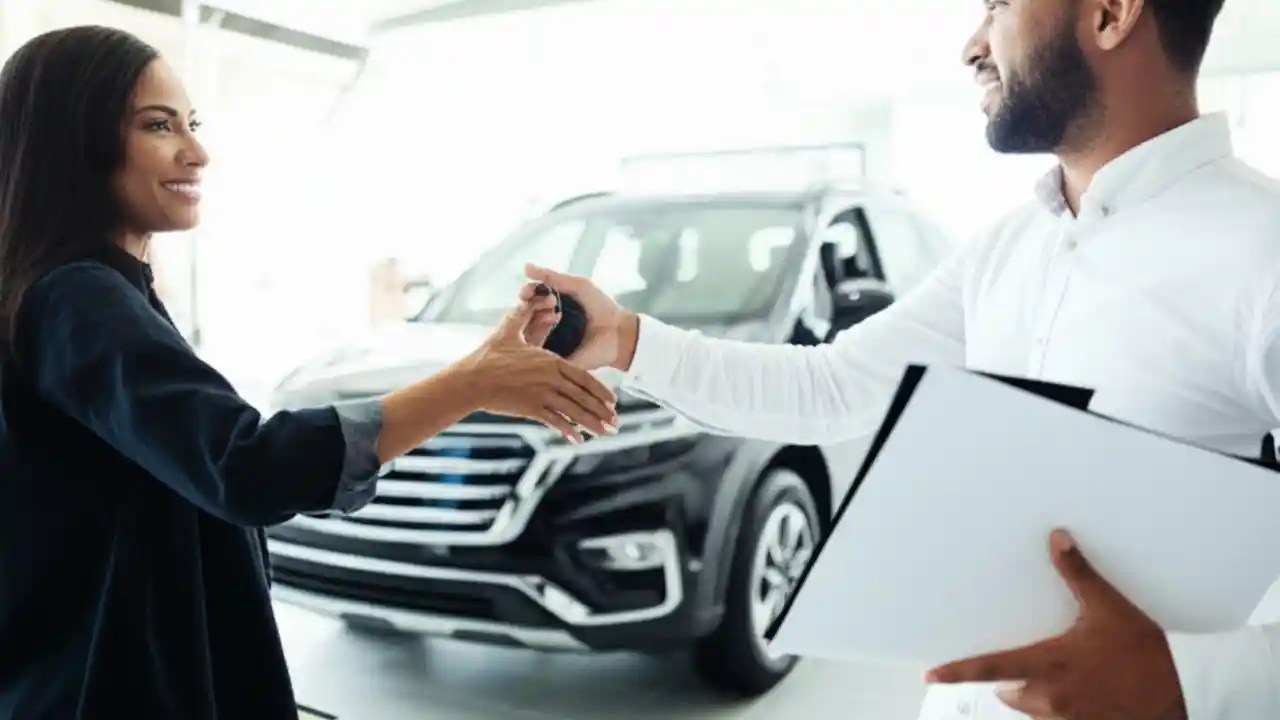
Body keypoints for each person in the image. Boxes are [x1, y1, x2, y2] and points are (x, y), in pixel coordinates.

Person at [520, 0, 1280, 717]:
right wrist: (626, 340)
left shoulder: (1263, 253)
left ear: (1111, 12)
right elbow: (831, 386)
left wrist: (1191, 682)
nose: (973, 46)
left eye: (999, 5)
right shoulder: (1006, 250)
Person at [0, 26, 618, 720]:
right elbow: (246, 467)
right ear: (75, 141)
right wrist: (472, 383)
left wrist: (477, 379)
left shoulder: (87, 291)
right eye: (158, 125)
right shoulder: (78, 296)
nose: (197, 152)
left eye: (193, 124)